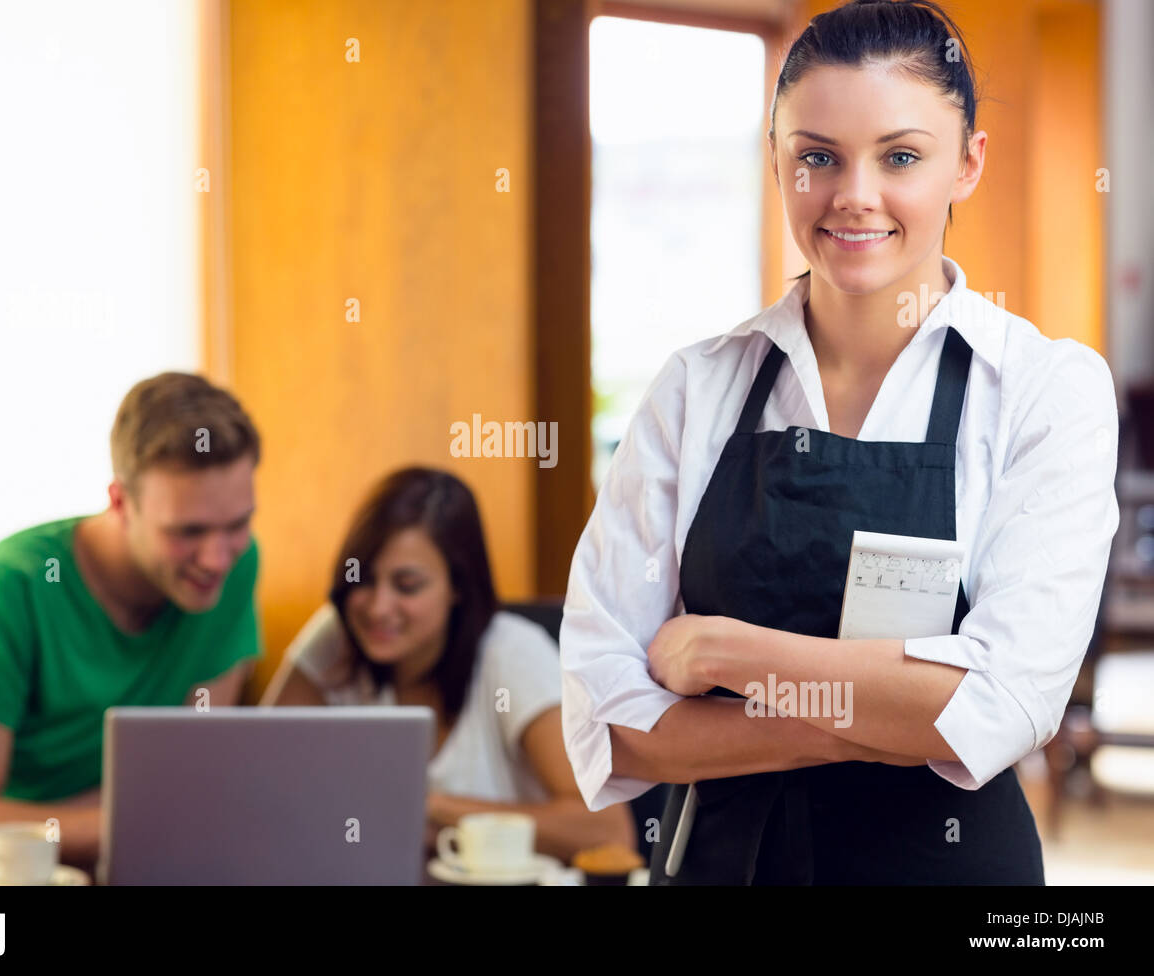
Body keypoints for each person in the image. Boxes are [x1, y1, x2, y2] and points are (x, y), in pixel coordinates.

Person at [560, 0, 1119, 885]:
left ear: (968, 163)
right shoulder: (695, 388)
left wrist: (722, 655)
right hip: (719, 866)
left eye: (901, 156)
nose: (854, 196)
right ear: (777, 161)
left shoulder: (1044, 390)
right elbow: (615, 716)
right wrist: (888, 715)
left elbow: (1002, 703)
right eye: (817, 157)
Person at [0, 372, 264, 884]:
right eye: (188, 532)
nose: (216, 557)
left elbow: (183, 776)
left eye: (237, 524)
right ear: (120, 503)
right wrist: (137, 820)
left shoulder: (234, 571)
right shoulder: (5, 591)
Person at [262, 466, 635, 863]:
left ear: (458, 586)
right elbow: (261, 777)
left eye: (407, 586)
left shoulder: (512, 653)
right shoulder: (336, 635)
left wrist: (431, 808)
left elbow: (608, 831)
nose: (377, 607)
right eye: (364, 580)